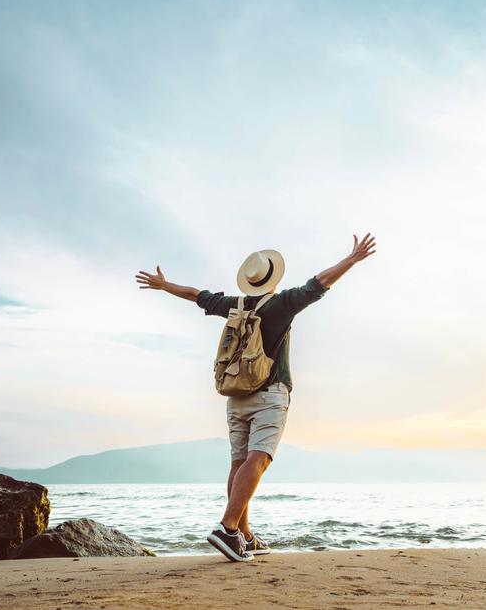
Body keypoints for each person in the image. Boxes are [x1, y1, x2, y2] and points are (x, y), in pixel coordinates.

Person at [135, 233, 376, 561]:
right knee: (259, 458)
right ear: (272, 279)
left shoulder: (233, 305)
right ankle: (227, 527)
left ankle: (244, 538)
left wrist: (165, 286)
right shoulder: (280, 304)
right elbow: (320, 282)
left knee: (238, 462)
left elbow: (196, 295)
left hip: (235, 394)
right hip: (269, 393)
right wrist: (351, 259)